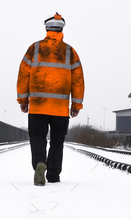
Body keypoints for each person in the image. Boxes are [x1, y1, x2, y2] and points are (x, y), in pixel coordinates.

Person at [16, 13, 85, 186]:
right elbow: (78, 81)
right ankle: (53, 175)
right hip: (60, 107)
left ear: (46, 28)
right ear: (62, 29)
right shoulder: (70, 52)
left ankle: (40, 164)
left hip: (38, 106)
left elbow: (23, 74)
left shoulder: (35, 48)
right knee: (57, 141)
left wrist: (23, 100)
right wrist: (76, 105)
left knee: (37, 136)